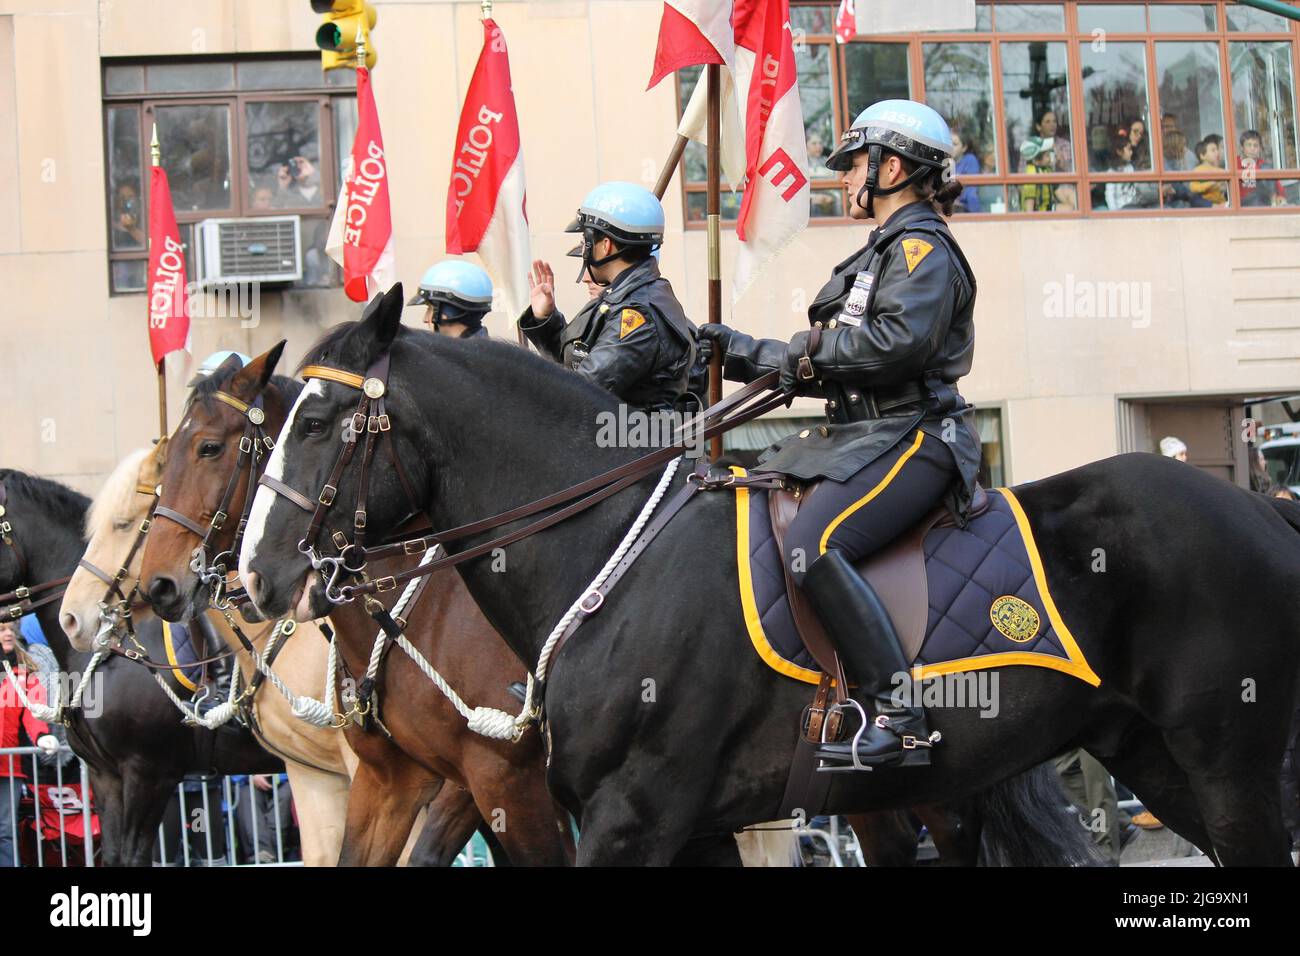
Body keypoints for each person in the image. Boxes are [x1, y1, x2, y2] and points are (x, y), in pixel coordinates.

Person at [700, 99, 980, 771]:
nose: (845, 176)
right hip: (864, 433)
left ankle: (899, 713)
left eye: (854, 163)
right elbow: (831, 355)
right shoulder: (879, 252)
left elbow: (897, 346)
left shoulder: (921, 248)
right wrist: (733, 349)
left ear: (891, 167)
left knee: (814, 544)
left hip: (916, 434)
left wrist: (808, 351)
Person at [518, 182, 696, 412]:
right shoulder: (622, 297)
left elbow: (583, 389)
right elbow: (575, 364)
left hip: (632, 443)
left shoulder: (638, 313)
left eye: (585, 241)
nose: (583, 249)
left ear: (605, 246)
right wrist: (546, 321)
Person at [1, 620, 62, 867]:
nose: (8, 634)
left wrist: (41, 736)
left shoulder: (24, 676)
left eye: (11, 630)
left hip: (8, 768)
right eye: (1, 629)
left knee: (4, 831)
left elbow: (33, 713)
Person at [407, 260, 493, 339]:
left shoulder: (466, 355)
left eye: (430, 309)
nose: (425, 319)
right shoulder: (481, 351)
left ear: (451, 312)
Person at [1237, 129, 1286, 208]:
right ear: (1242, 147)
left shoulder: (1264, 165)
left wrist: (1280, 197)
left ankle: (1272, 204)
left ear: (1260, 148)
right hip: (1243, 204)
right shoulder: (1236, 163)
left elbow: (1279, 189)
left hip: (1264, 202)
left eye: (1255, 145)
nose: (1252, 148)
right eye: (1249, 145)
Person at [1020, 136, 1056, 211]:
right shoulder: (1031, 173)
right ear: (1036, 160)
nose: (1050, 159)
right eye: (1047, 156)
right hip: (1040, 214)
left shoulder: (1046, 169)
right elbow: (1029, 204)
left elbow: (1060, 191)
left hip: (1048, 209)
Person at [1190, 135, 1227, 207]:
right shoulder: (1198, 170)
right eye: (1213, 150)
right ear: (1202, 156)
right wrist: (1211, 184)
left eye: (1217, 149)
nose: (1217, 152)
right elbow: (1193, 187)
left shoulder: (1220, 170)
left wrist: (1223, 186)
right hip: (1206, 202)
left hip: (1221, 201)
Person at [951, 129, 982, 213]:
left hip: (968, 209)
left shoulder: (970, 160)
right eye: (948, 143)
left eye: (954, 144)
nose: (950, 147)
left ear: (964, 148)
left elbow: (971, 192)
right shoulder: (946, 162)